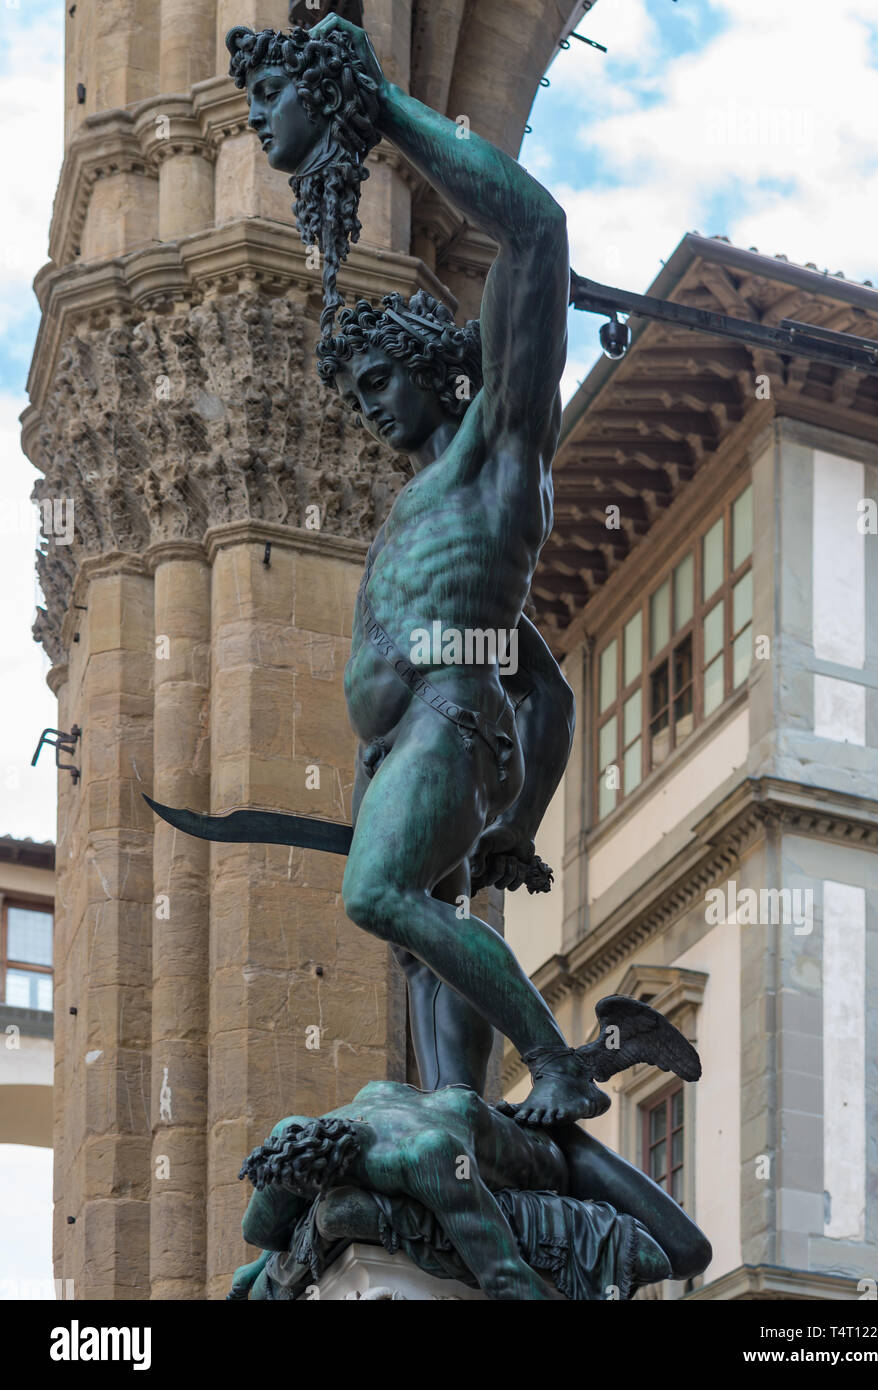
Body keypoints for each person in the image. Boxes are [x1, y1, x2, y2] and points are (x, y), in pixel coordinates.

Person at [231, 12, 614, 1126]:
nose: (365, 409)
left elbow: (537, 230)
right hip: (420, 731)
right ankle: (466, 1117)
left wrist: (381, 107)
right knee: (421, 943)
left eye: (377, 385)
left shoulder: (499, 449)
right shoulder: (418, 508)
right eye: (352, 397)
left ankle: (559, 1064)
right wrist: (517, 824)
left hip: (448, 718)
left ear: (440, 375)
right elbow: (545, 682)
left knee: (380, 895)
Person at [229, 1080, 712, 1302]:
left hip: (555, 1157)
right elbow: (260, 1230)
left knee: (687, 1252)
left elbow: (503, 1274)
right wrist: (264, 1260)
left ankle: (567, 1096)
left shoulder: (425, 1154)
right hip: (464, 1127)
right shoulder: (293, 1133)